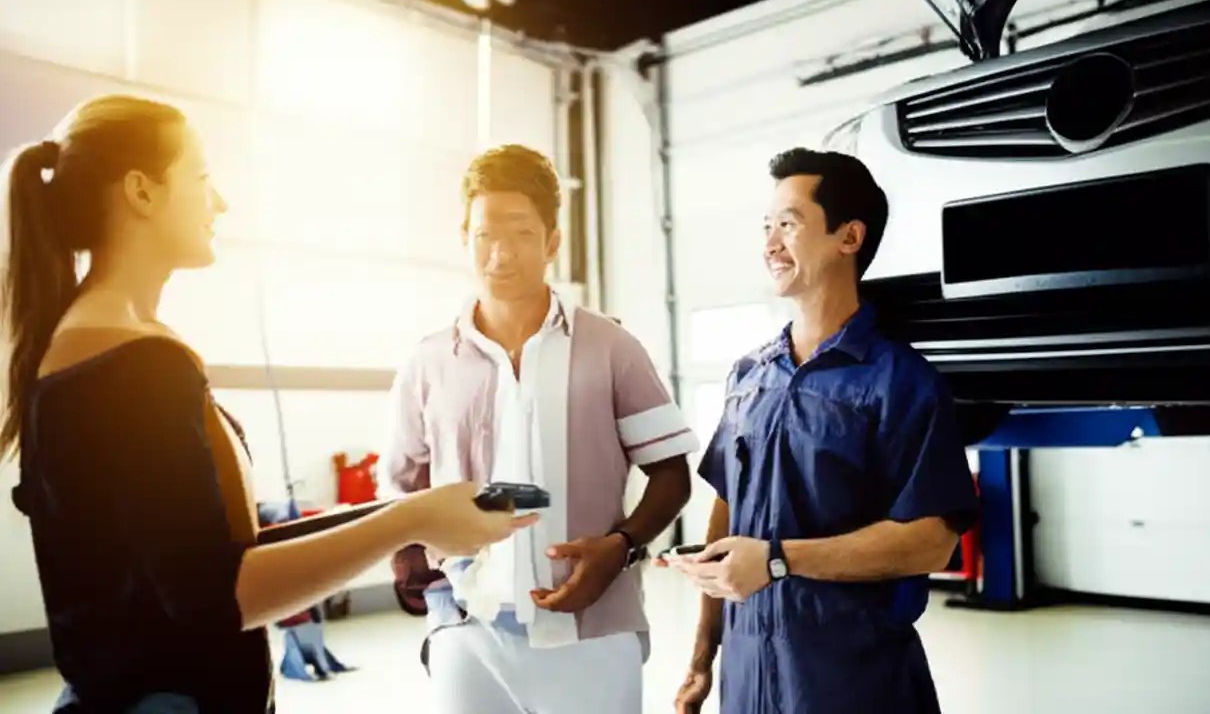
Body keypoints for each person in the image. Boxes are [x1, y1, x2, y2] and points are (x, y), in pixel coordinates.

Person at [2, 95, 537, 714]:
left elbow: (217, 550)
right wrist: (410, 522)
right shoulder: (130, 362)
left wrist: (415, 509)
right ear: (142, 192)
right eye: (202, 178)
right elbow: (217, 595)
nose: (220, 203)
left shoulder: (106, 345)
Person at [380, 144, 699, 714]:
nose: (500, 254)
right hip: (467, 630)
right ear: (464, 237)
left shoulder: (611, 347)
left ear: (553, 242)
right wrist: (432, 592)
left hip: (595, 632)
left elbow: (672, 476)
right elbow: (400, 493)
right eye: (484, 235)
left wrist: (621, 548)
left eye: (522, 233)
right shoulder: (427, 362)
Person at [661, 148, 980, 714]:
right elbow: (728, 508)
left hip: (852, 681)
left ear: (848, 238)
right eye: (766, 227)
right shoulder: (748, 376)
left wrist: (778, 559)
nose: (770, 244)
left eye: (788, 224)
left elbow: (932, 540)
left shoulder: (900, 382)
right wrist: (701, 656)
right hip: (749, 675)